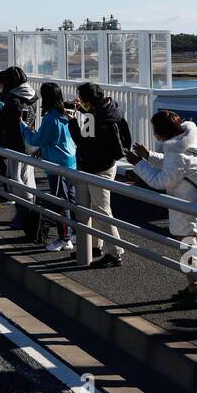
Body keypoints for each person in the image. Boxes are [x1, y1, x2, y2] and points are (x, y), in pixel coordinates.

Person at [131, 110, 197, 305]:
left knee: (188, 247)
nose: (154, 134)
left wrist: (139, 165)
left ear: (162, 132)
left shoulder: (178, 154)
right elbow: (171, 164)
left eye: (155, 130)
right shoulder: (188, 142)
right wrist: (149, 156)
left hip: (186, 207)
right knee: (192, 246)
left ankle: (196, 292)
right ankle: (193, 285)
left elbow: (161, 180)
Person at [69, 82, 131, 267]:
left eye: (82, 100)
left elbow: (83, 142)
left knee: (102, 210)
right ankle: (96, 246)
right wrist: (82, 109)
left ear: (88, 101)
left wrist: (72, 121)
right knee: (96, 208)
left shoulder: (93, 116)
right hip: (108, 164)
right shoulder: (111, 109)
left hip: (94, 167)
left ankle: (115, 252)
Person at [21, 82, 77, 253]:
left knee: (60, 203)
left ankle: (65, 239)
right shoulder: (64, 114)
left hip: (57, 165)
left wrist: (22, 126)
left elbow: (35, 139)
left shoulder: (50, 118)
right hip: (70, 161)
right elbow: (54, 139)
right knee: (71, 200)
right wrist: (42, 150)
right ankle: (74, 232)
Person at [0, 67, 38, 213]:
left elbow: (4, 122)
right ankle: (31, 206)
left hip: (15, 143)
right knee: (27, 177)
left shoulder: (13, 99)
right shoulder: (32, 94)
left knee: (14, 178)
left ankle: (28, 209)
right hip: (29, 141)